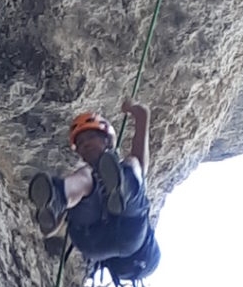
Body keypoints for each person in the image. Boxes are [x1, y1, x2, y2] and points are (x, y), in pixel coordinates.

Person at [28, 102, 151, 266]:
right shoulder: (83, 179)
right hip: (103, 237)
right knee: (85, 175)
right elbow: (48, 231)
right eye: (80, 143)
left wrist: (136, 112)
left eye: (91, 137)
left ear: (107, 140)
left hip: (116, 234)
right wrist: (49, 218)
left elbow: (143, 119)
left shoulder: (126, 167)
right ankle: (56, 199)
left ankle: (122, 190)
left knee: (133, 164)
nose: (84, 144)